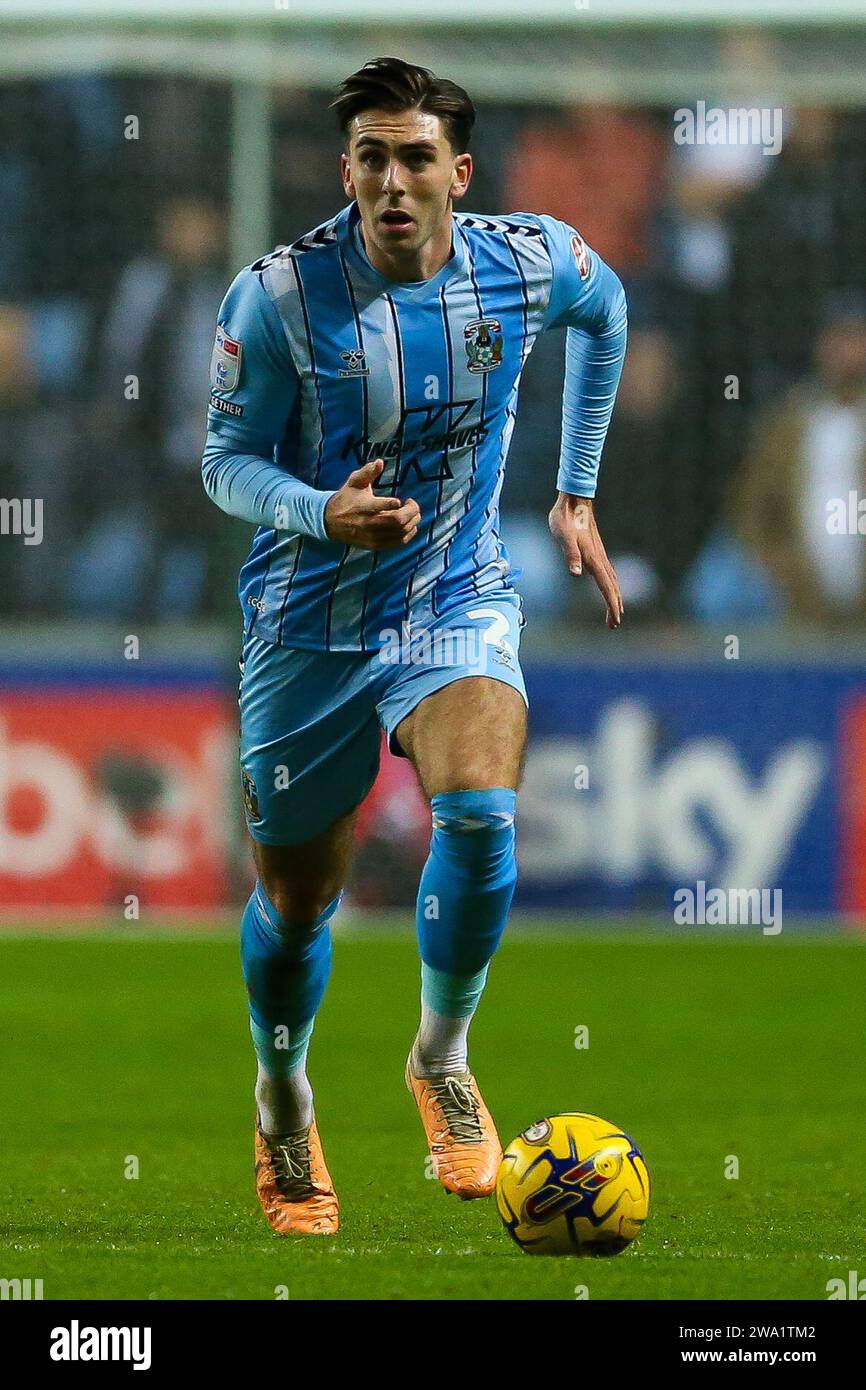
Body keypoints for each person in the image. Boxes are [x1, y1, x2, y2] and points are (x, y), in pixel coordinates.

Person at [201, 57, 627, 1237]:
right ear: (347, 171)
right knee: (296, 904)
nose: (393, 182)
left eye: (416, 159)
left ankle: (440, 1054)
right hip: (306, 624)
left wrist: (575, 491)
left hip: (453, 591)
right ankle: (282, 1098)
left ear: (459, 174)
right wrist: (316, 508)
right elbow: (222, 462)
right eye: (372, 160)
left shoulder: (523, 260)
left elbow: (609, 307)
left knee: (480, 809)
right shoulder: (276, 298)